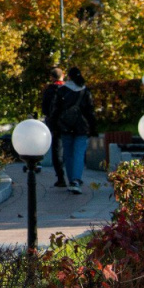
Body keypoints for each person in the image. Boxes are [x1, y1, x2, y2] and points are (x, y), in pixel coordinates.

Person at [50, 66, 98, 194]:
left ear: (69, 77)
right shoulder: (85, 91)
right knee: (79, 153)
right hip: (81, 127)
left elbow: (56, 110)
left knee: (68, 153)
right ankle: (76, 180)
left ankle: (71, 179)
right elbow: (90, 111)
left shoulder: (62, 90)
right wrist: (93, 127)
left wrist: (53, 126)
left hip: (65, 126)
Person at [41, 67, 67, 187]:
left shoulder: (49, 90)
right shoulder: (69, 89)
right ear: (63, 76)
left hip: (55, 124)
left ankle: (61, 177)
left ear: (51, 77)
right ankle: (75, 177)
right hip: (70, 124)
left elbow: (45, 109)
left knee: (57, 150)